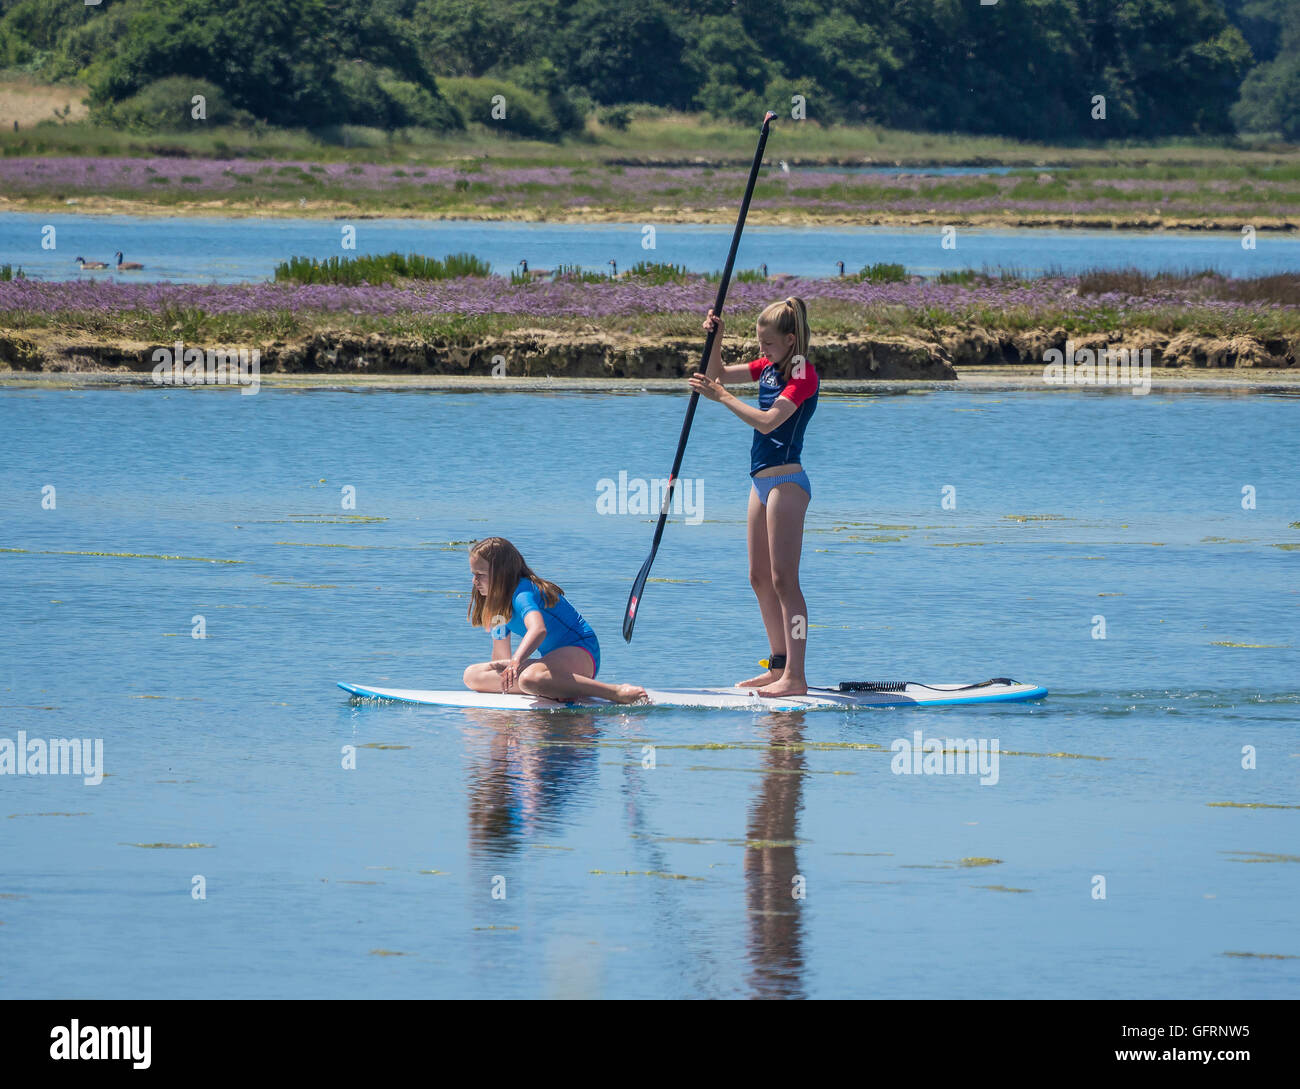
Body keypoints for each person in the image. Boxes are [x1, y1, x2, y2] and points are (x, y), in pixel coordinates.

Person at [688, 297, 818, 697]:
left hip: (787, 483)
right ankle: (777, 665)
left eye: (769, 345)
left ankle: (796, 675)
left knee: (784, 581)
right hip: (759, 482)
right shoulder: (768, 369)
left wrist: (722, 397)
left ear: (792, 341)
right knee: (758, 577)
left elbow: (768, 423)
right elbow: (719, 372)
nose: (762, 352)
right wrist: (716, 338)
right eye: (760, 344)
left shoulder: (803, 374)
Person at [464, 537, 647, 704]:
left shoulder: (523, 593)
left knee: (529, 678)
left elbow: (538, 630)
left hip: (582, 652)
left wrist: (516, 662)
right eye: (473, 574)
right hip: (551, 662)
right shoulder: (497, 606)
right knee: (472, 675)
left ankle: (615, 692)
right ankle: (553, 687)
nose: (474, 581)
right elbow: (501, 657)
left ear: (500, 574)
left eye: (480, 574)